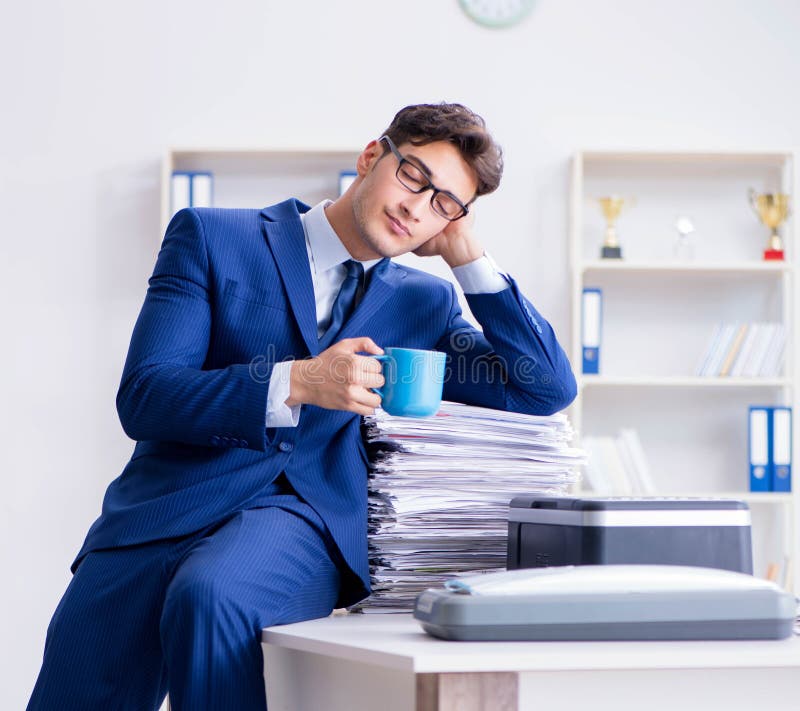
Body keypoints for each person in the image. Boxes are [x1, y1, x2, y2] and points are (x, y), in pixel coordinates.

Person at [28, 102, 576, 710]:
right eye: (414, 177)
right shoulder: (213, 237)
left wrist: (468, 258)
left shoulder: (426, 302)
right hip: (159, 513)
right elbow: (147, 396)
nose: (417, 208)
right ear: (372, 156)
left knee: (213, 595)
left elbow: (541, 387)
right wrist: (294, 381)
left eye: (445, 204)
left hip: (300, 522)